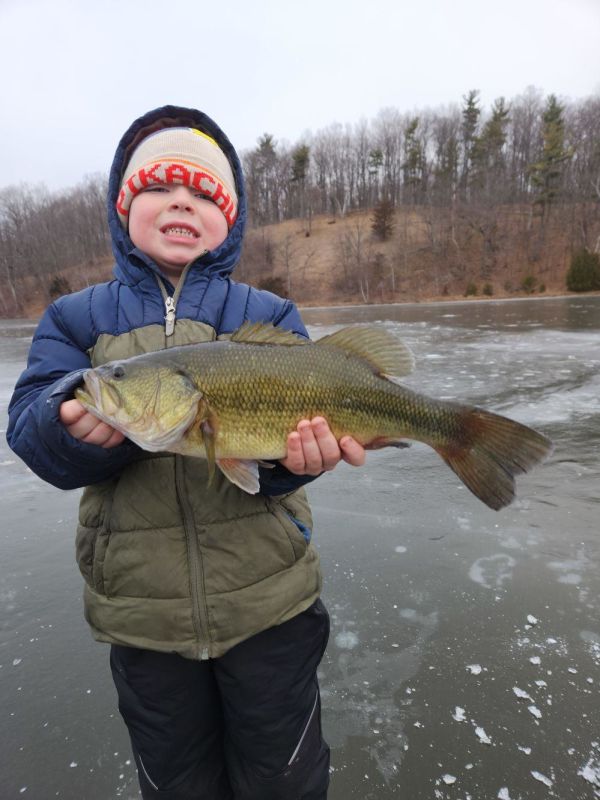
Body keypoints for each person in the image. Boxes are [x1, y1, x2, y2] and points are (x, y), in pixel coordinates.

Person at [6, 105, 366, 799]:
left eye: (205, 193)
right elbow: (30, 423)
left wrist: (300, 459)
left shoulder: (267, 314)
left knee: (284, 776)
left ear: (229, 219)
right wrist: (69, 426)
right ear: (123, 209)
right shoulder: (76, 320)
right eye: (160, 187)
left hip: (271, 605)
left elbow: (272, 463)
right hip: (145, 619)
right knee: (177, 783)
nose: (183, 201)